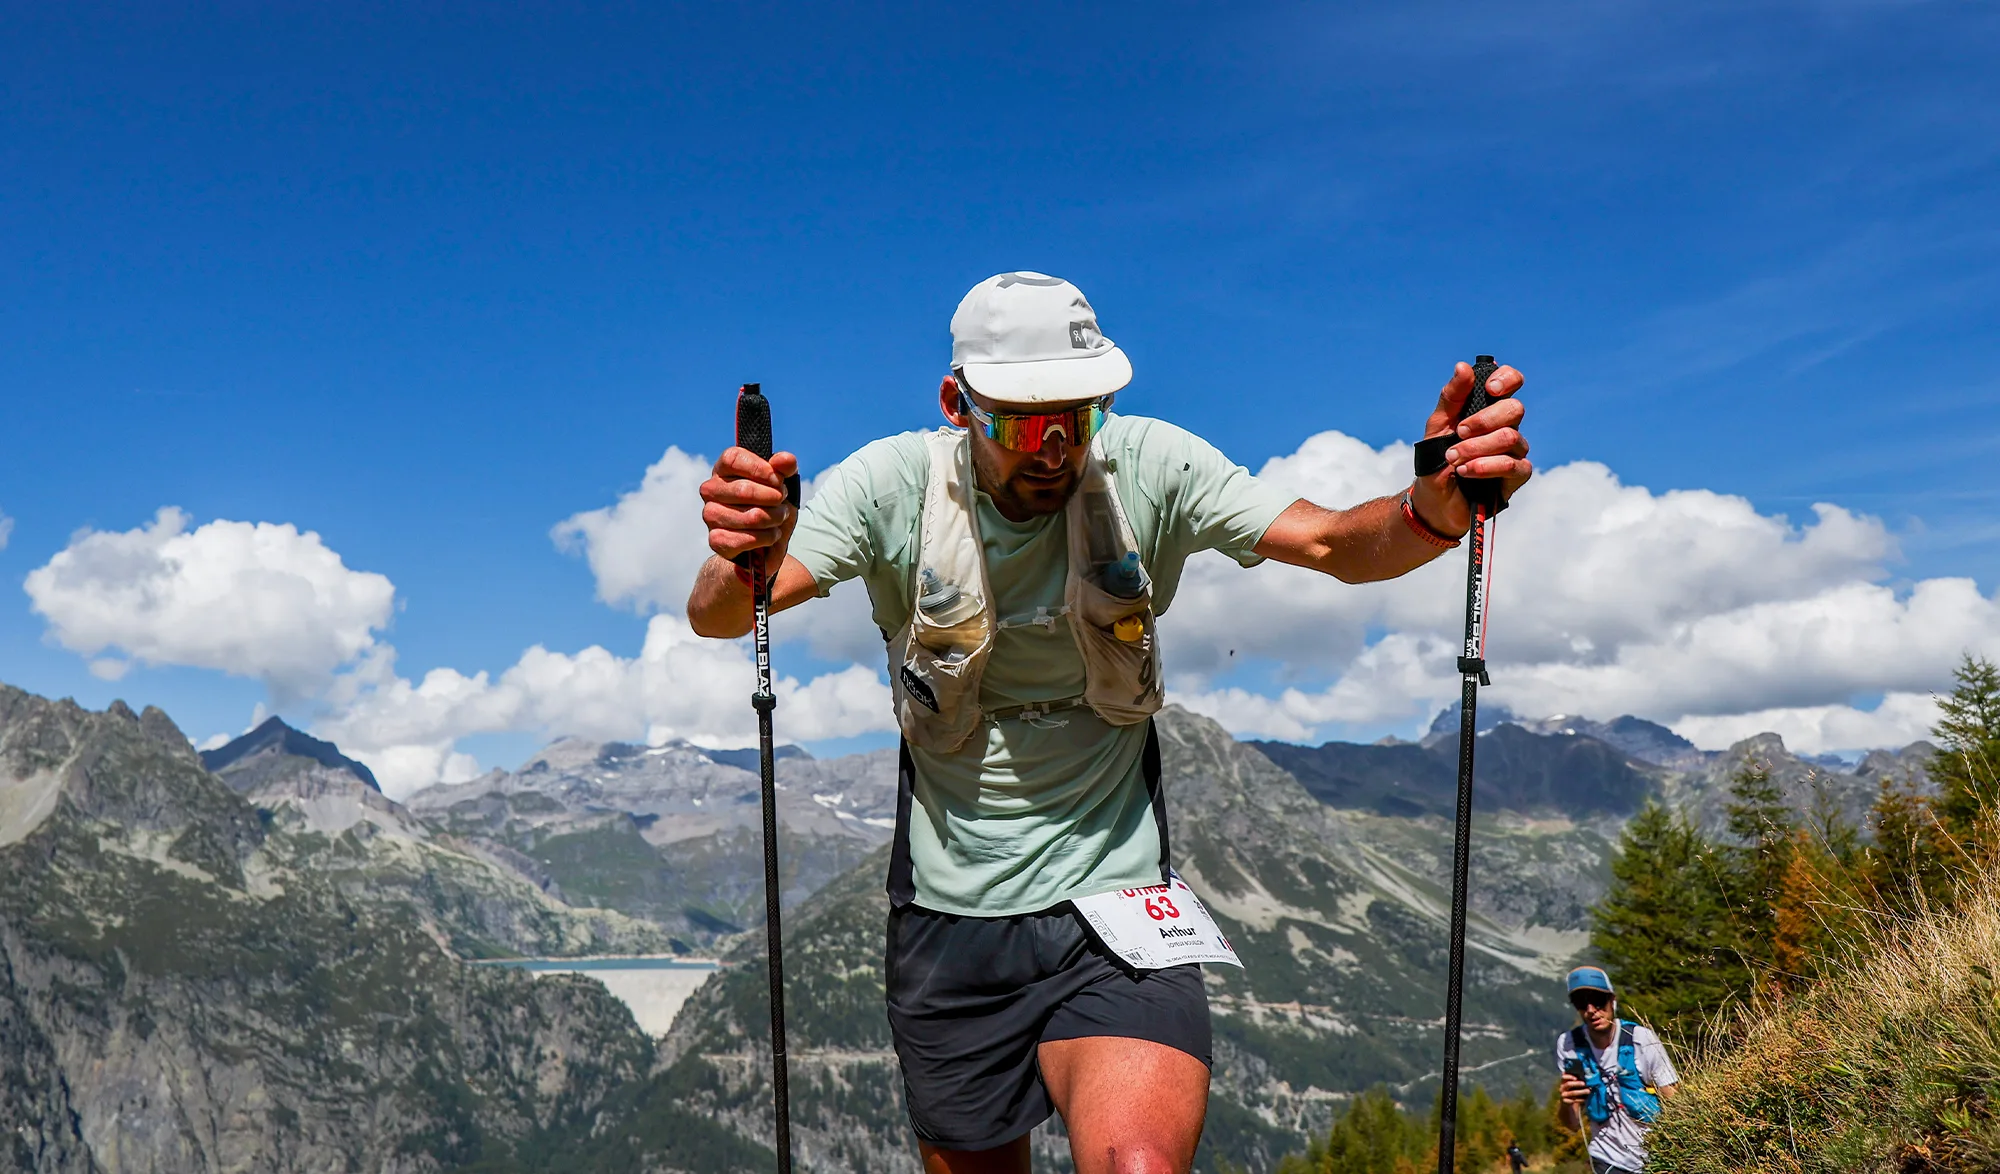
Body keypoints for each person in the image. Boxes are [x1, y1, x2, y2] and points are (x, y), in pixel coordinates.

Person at [688, 271, 1533, 1174]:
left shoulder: (1152, 464)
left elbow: (1331, 543)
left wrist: (1435, 509)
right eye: (1022, 422)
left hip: (1119, 902)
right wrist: (745, 550)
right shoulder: (891, 485)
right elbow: (727, 613)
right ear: (955, 403)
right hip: (950, 921)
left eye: (1080, 415)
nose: (1054, 447)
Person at [1555, 966, 1679, 1174]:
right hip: (1607, 1159)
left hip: (1655, 1157)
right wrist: (1565, 1102)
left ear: (1612, 1000)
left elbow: (1673, 1099)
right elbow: (1572, 1124)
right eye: (1581, 1003)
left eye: (1598, 1000)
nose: (1591, 1009)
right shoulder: (1568, 1045)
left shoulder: (1641, 1038)